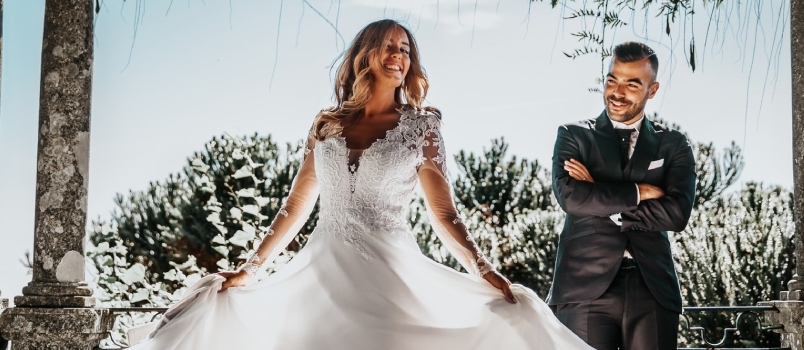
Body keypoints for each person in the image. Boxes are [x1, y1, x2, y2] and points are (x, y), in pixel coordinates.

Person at [128, 19, 592, 350]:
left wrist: (483, 269)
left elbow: (443, 212)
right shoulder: (325, 125)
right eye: (389, 45)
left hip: (389, 276)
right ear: (364, 54)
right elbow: (295, 207)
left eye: (406, 49)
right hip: (321, 275)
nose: (399, 55)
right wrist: (252, 269)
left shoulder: (421, 127)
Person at [547, 41, 696, 349]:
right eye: (612, 80)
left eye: (631, 84)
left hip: (653, 288)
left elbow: (677, 213)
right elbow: (572, 198)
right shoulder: (573, 134)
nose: (617, 92)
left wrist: (602, 199)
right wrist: (641, 192)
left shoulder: (673, 144)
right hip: (582, 288)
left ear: (652, 90)